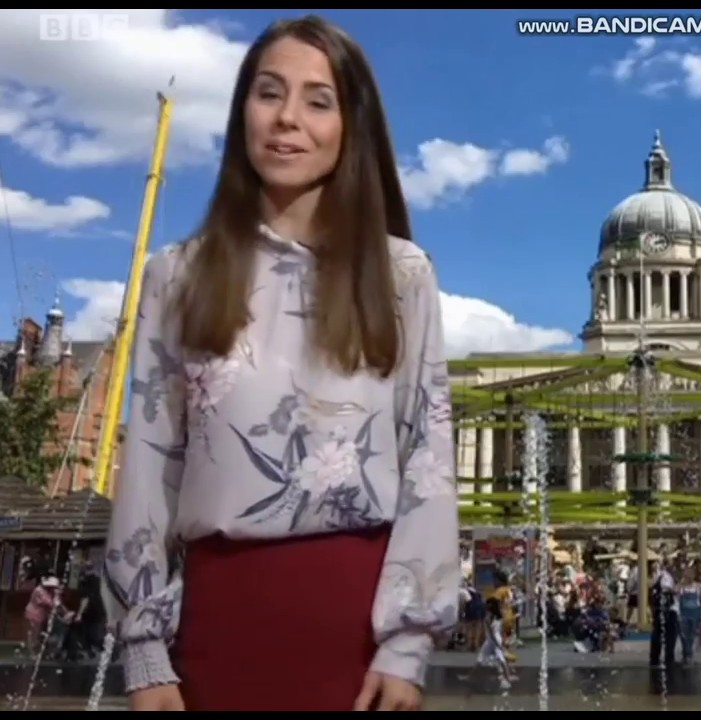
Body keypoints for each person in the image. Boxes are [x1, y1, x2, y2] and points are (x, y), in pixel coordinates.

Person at [102, 15, 459, 712]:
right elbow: (148, 462)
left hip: (358, 643)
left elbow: (428, 459)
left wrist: (407, 645)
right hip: (215, 628)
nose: (288, 118)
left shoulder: (400, 276)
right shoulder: (177, 276)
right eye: (269, 93)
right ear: (242, 113)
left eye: (317, 100)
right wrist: (145, 656)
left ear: (350, 127)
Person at [476, 598, 517, 688]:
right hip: (494, 639)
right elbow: (500, 630)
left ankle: (508, 677)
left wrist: (498, 644)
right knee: (483, 657)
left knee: (499, 658)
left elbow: (491, 633)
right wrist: (502, 641)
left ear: (490, 606)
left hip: (492, 640)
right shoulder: (499, 616)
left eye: (487, 604)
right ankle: (471, 676)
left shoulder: (488, 617)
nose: (485, 606)